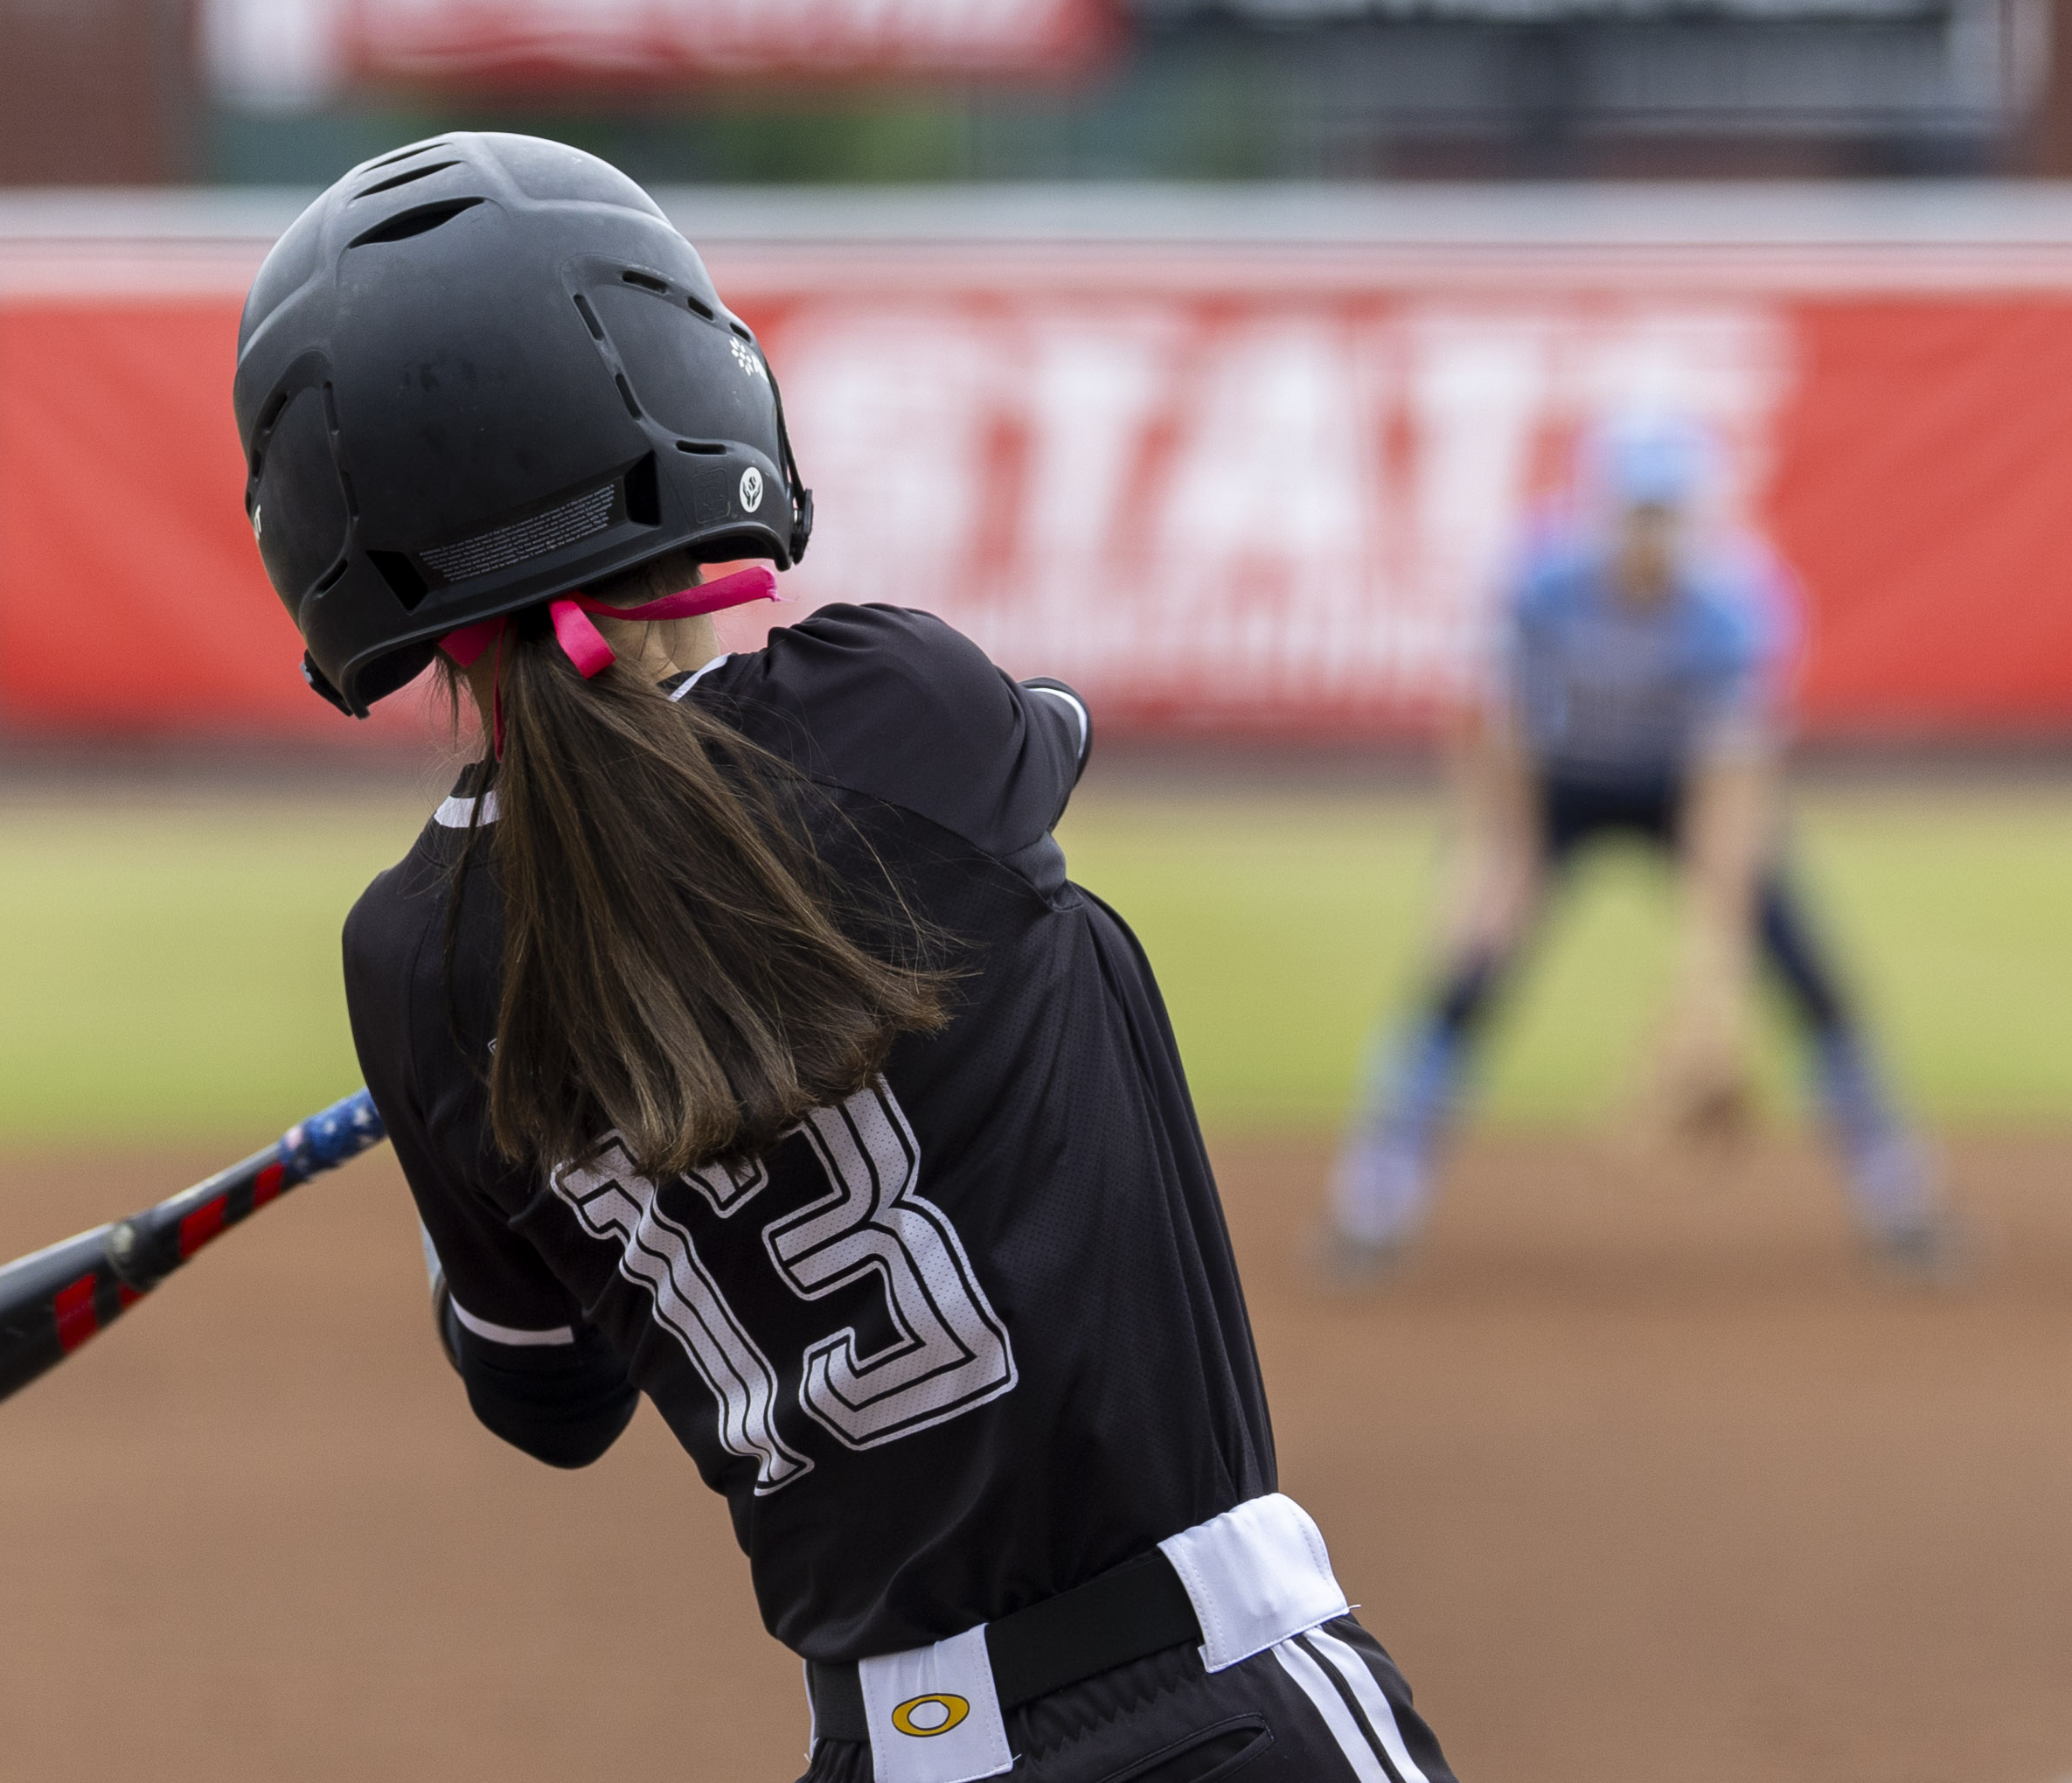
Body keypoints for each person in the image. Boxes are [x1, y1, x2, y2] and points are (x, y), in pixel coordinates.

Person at [239, 131, 1455, 1783]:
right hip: (1223, 1710)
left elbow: (545, 1401)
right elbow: (1044, 750)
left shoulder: (412, 959)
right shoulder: (892, 713)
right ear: (675, 392)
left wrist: (478, 1117)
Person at [1320, 408, 1954, 1285]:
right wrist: (1502, 854)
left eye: (1667, 512)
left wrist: (1713, 976)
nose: (1652, 533)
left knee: (1812, 978)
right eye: (1636, 512)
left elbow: (1731, 791)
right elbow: (1484, 725)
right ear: (1596, 509)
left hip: (1681, 788)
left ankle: (1901, 1197)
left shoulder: (1739, 601)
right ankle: (1374, 1200)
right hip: (1554, 783)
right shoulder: (1535, 577)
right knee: (1466, 967)